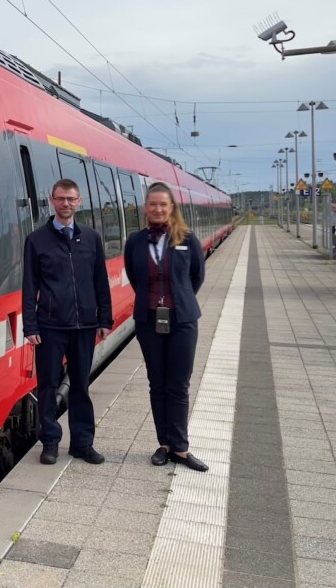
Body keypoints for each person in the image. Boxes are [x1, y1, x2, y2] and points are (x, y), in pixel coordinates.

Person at [22, 179, 113, 465]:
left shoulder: (91, 238)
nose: (66, 204)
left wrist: (104, 318)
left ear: (79, 201)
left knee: (81, 387)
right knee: (48, 386)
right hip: (50, 327)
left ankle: (82, 444)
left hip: (85, 326)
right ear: (52, 200)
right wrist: (30, 326)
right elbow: (29, 286)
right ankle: (50, 442)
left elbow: (101, 281)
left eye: (71, 199)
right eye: (61, 199)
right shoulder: (36, 240)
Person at [123, 182, 208, 472]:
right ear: (145, 208)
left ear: (172, 208)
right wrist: (153, 300)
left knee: (179, 385)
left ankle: (181, 448)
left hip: (182, 320)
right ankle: (164, 444)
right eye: (152, 205)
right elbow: (135, 277)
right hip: (149, 321)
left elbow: (196, 277)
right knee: (156, 383)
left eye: (163, 204)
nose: (158, 209)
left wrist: (178, 301)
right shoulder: (135, 241)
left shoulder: (188, 239)